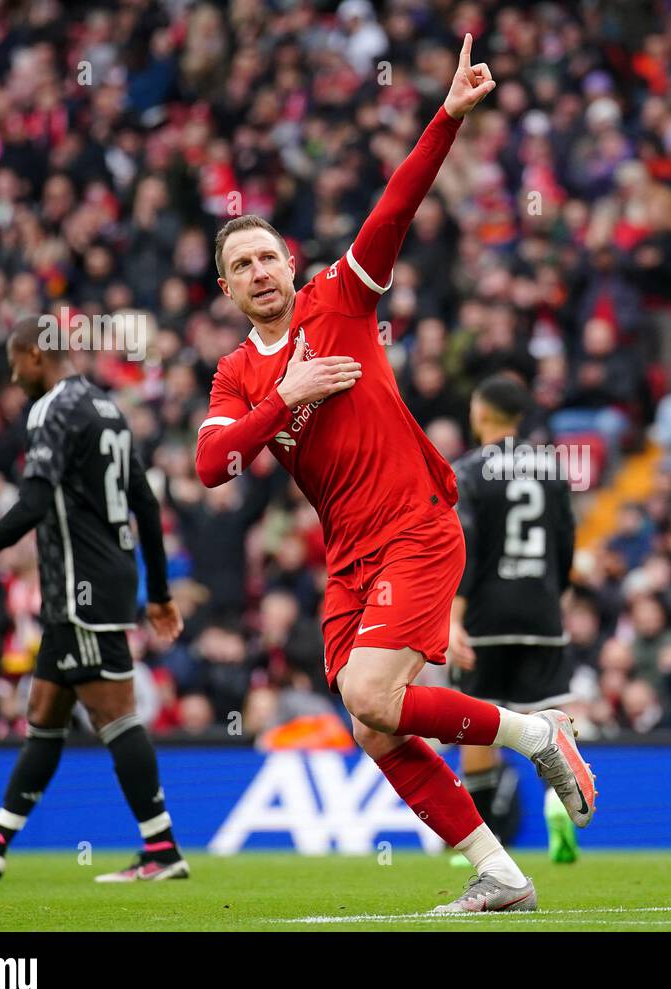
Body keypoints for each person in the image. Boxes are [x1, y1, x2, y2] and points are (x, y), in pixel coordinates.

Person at [193, 36, 596, 914]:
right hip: (349, 553)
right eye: (241, 266)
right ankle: (502, 874)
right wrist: (284, 397)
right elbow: (211, 465)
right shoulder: (235, 374)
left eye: (268, 256)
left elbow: (394, 208)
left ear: (290, 262)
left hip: (415, 522)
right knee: (370, 722)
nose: (260, 272)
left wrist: (447, 116)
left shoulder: (341, 297)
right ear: (226, 288)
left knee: (377, 692)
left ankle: (536, 732)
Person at [0, 317, 188, 883]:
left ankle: (162, 848)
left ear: (36, 356)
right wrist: (159, 593)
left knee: (115, 717)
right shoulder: (108, 408)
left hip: (78, 588)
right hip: (99, 584)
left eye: (16, 363)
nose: (14, 375)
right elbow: (145, 503)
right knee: (44, 714)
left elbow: (33, 505)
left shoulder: (51, 410)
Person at [448, 374, 580, 864]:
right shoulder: (552, 468)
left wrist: (453, 617)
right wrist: (557, 595)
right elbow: (567, 543)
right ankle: (558, 804)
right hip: (542, 610)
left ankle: (485, 845)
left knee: (475, 723)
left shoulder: (468, 471)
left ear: (481, 413)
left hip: (485, 615)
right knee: (549, 713)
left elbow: (466, 548)